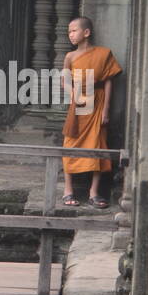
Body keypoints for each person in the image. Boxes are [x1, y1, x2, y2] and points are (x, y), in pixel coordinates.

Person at [60, 16, 122, 208]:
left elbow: (109, 81)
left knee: (98, 145)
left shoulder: (103, 54)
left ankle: (94, 192)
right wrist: (73, 94)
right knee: (70, 144)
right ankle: (68, 189)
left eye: (73, 31)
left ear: (86, 33)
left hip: (97, 102)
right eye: (68, 31)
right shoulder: (69, 57)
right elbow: (64, 80)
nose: (70, 35)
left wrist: (106, 110)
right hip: (78, 104)